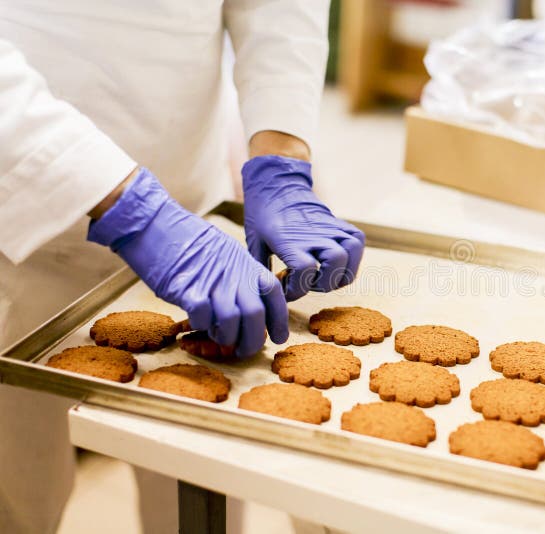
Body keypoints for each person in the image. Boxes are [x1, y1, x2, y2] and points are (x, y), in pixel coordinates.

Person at [0, 1, 363, 532]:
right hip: (17, 221)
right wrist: (128, 208)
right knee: (16, 497)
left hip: (191, 210)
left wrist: (281, 156)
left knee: (196, 499)